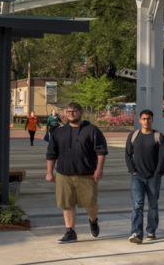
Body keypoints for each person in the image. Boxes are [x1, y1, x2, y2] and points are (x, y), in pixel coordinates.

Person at [45, 102, 108, 243]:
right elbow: (51, 154)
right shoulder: (59, 132)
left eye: (74, 111)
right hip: (63, 174)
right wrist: (49, 172)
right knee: (67, 204)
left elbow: (101, 152)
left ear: (81, 112)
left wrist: (99, 169)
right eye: (68, 111)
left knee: (90, 204)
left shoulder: (92, 130)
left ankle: (93, 220)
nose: (71, 114)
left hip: (86, 174)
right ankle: (70, 231)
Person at [125, 109, 164, 244]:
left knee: (153, 205)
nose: (146, 121)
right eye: (143, 119)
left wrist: (157, 174)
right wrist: (133, 171)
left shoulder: (158, 136)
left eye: (148, 119)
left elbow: (163, 158)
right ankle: (136, 232)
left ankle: (151, 230)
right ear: (139, 120)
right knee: (137, 205)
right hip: (137, 177)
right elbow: (127, 155)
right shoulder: (133, 136)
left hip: (153, 178)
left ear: (152, 120)